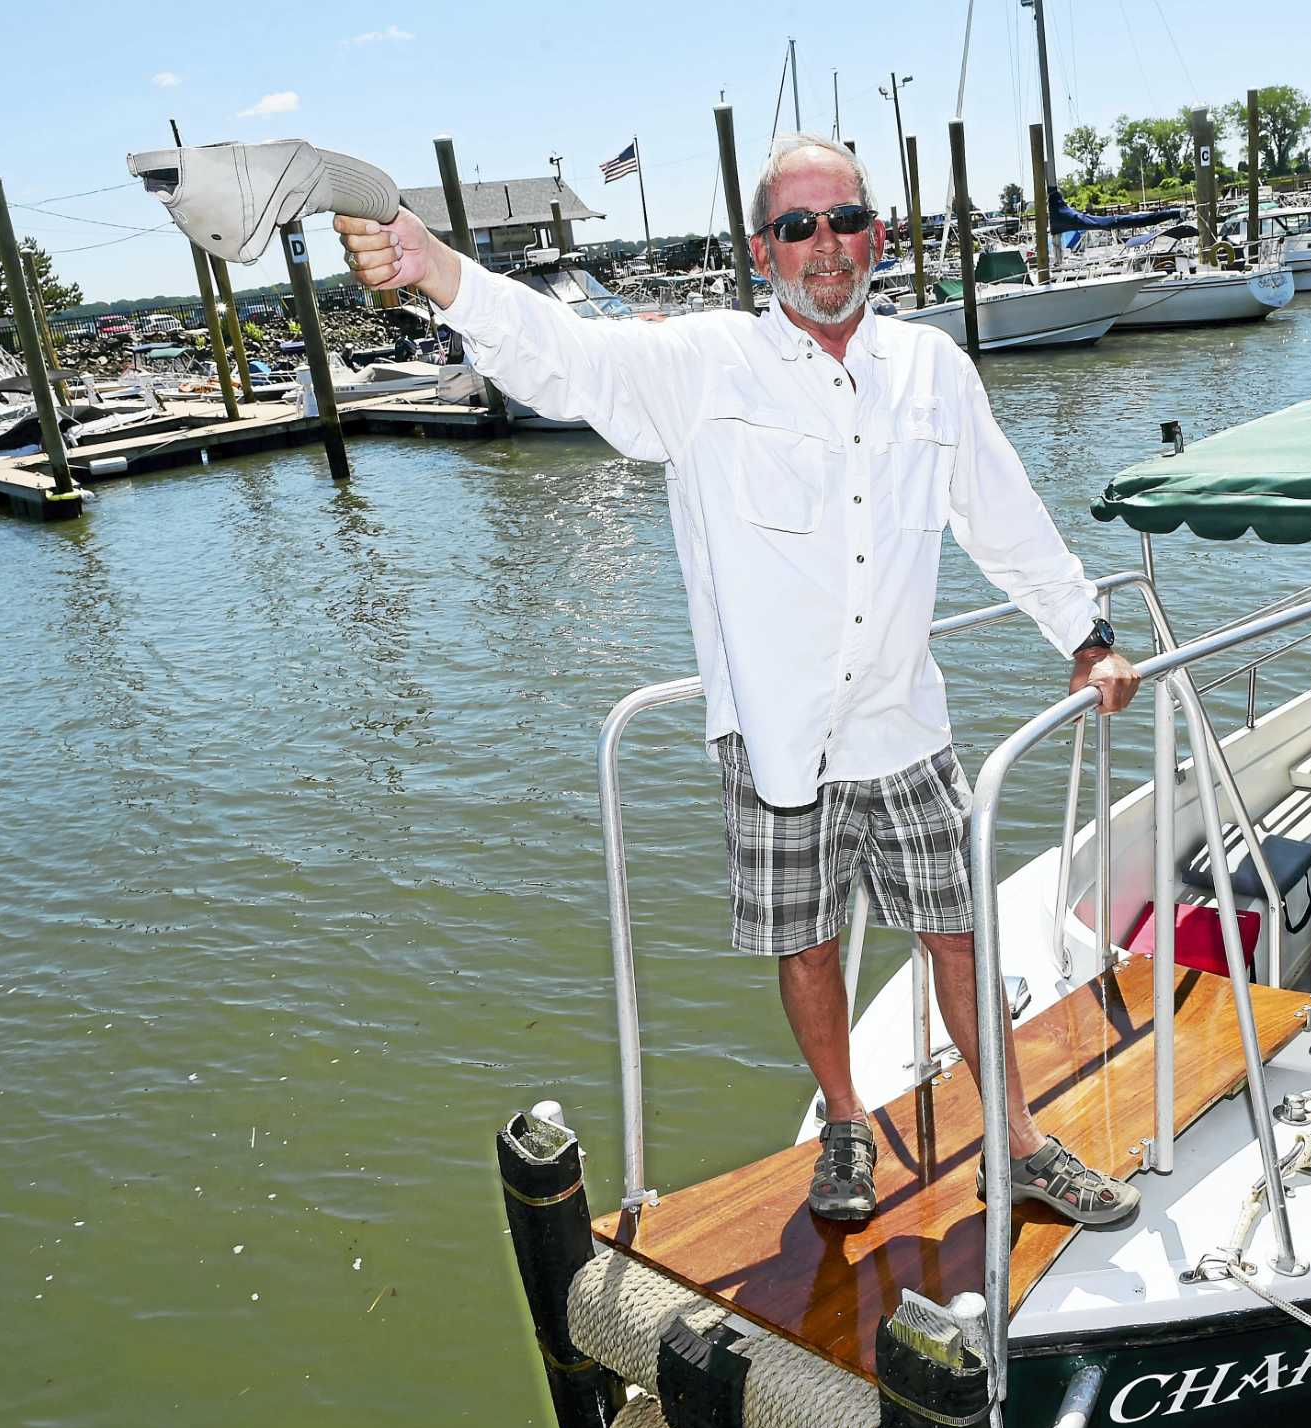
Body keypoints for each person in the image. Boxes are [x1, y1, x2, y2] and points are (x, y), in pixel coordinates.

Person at [336, 133, 1144, 1228]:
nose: (826, 246)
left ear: (879, 235)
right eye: (798, 226)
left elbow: (1001, 515)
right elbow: (563, 356)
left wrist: (1083, 634)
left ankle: (1018, 1141)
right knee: (805, 945)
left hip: (904, 724)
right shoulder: (701, 364)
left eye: (844, 221)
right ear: (761, 250)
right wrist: (437, 269)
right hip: (775, 736)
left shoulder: (932, 372)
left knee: (960, 934)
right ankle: (846, 1123)